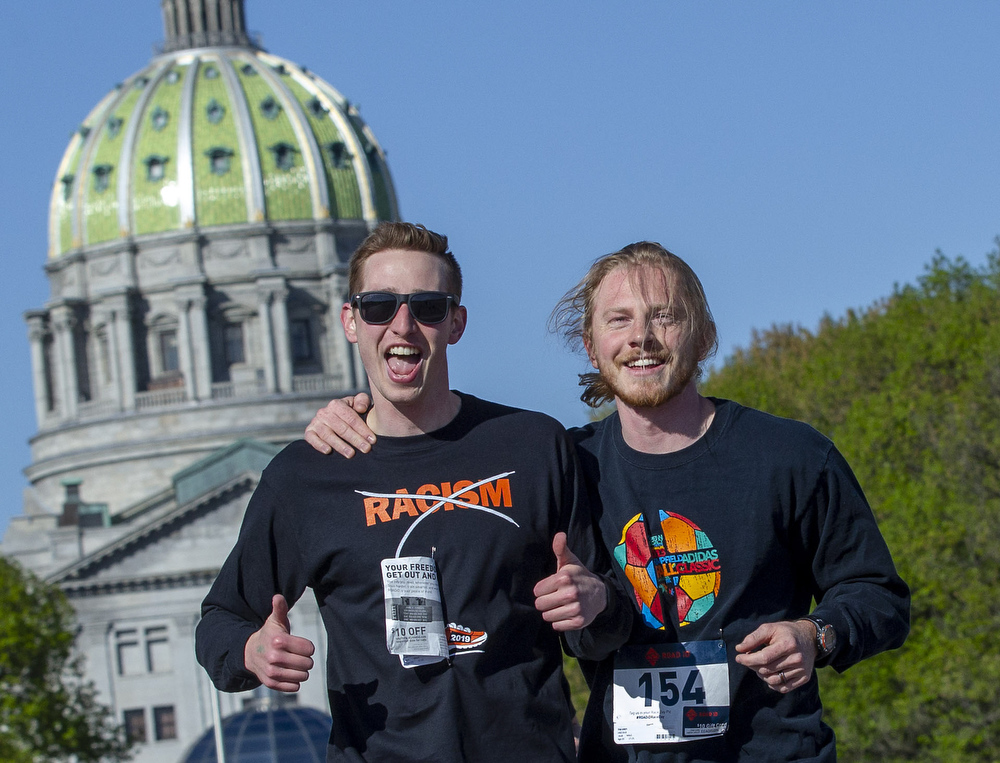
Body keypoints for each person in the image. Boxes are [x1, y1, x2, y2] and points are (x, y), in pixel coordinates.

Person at [306, 240, 910, 762]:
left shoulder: (790, 455)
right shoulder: (564, 466)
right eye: (618, 320)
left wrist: (815, 633)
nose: (641, 338)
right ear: (591, 347)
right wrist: (364, 417)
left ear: (703, 335)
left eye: (665, 317)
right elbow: (435, 470)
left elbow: (879, 597)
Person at [196, 222, 631, 762]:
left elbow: (607, 621)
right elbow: (218, 620)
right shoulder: (306, 476)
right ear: (350, 322)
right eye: (378, 306)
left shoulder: (534, 445)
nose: (402, 325)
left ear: (456, 322)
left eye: (426, 306)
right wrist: (251, 650)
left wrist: (597, 603)